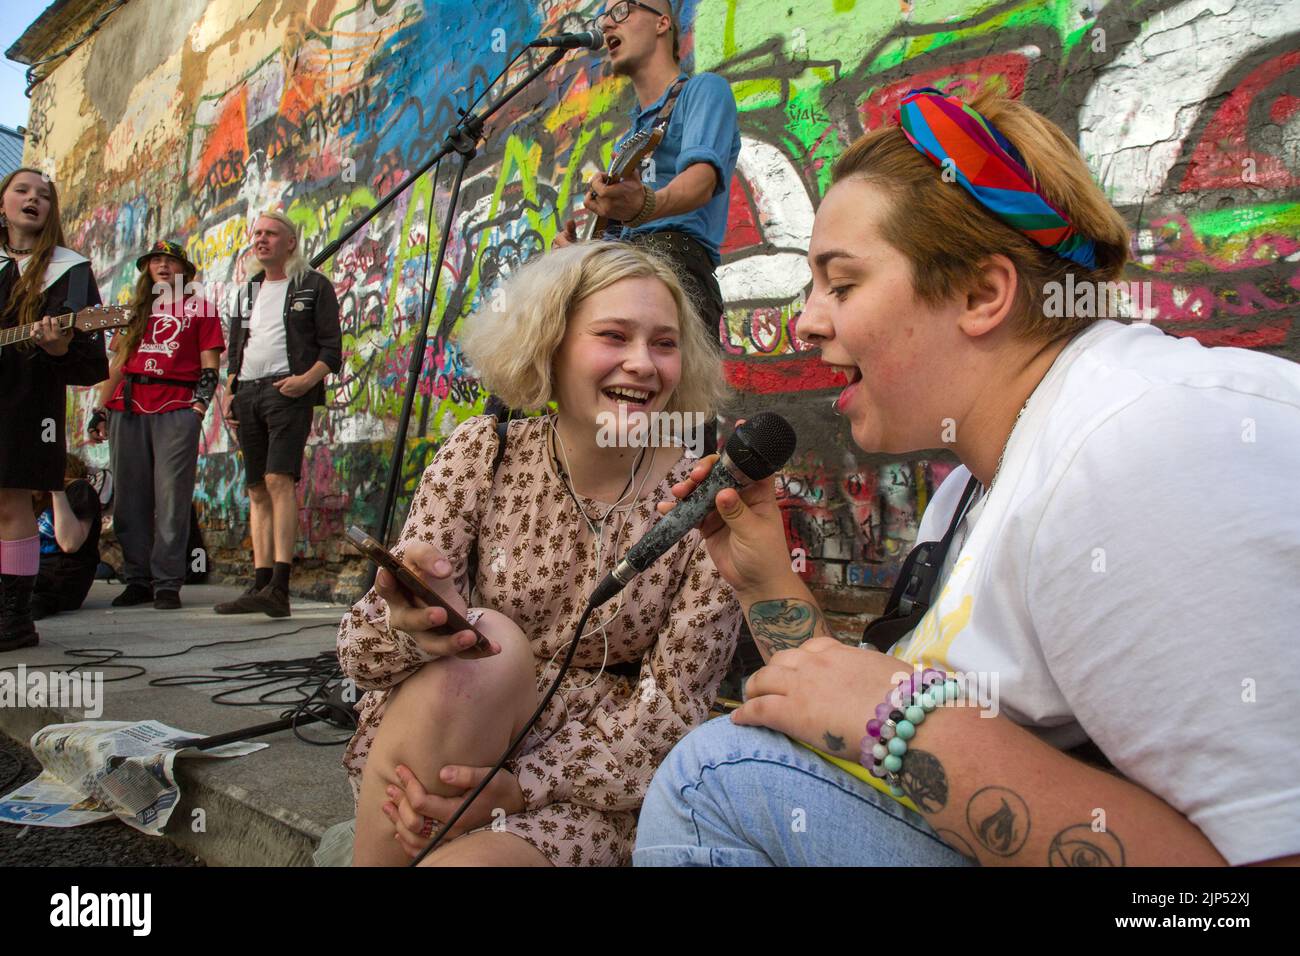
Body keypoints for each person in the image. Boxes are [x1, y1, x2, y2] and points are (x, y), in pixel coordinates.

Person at [632, 89, 1300, 867]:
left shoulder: (1138, 449)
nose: (807, 322)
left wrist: (905, 712)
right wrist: (765, 585)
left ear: (983, 295)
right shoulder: (971, 491)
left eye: (841, 284)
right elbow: (860, 753)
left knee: (718, 778)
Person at [337, 241, 741, 866]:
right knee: (489, 647)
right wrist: (413, 627)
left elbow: (674, 718)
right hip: (451, 732)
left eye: (664, 344)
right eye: (613, 335)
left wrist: (517, 787)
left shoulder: (705, 505)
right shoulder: (483, 453)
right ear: (550, 344)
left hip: (592, 779)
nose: (642, 364)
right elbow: (359, 657)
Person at [555, 0, 740, 339]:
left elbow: (700, 182)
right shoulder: (630, 137)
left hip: (677, 270)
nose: (607, 25)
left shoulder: (703, 91)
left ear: (662, 24)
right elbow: (615, 236)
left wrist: (644, 206)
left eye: (621, 11)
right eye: (604, 17)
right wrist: (578, 256)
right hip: (624, 274)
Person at [0, 167, 108, 651]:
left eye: (44, 195)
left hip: (28, 398)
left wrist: (59, 347)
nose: (32, 199)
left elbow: (90, 360)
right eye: (21, 190)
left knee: (11, 499)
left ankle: (14, 617)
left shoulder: (69, 269)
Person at [215, 211, 340, 618]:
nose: (260, 240)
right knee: (255, 487)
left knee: (278, 479)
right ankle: (260, 582)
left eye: (270, 233)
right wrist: (231, 389)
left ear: (291, 242)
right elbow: (236, 346)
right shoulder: (247, 291)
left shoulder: (313, 285)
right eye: (256, 234)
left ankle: (281, 587)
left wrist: (306, 382)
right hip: (248, 392)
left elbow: (331, 350)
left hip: (287, 391)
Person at [88, 240, 224, 610]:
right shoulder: (135, 313)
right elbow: (116, 366)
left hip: (177, 407)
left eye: (171, 261)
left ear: (186, 271)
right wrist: (100, 411)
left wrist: (198, 408)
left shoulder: (201, 309)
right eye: (156, 261)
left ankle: (167, 582)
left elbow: (209, 366)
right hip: (128, 407)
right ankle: (138, 580)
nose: (163, 266)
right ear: (147, 270)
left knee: (171, 498)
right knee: (130, 498)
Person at [31, 453, 101, 621]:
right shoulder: (35, 499)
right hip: (36, 574)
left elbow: (70, 544)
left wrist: (57, 490)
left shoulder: (78, 490)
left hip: (62, 576)